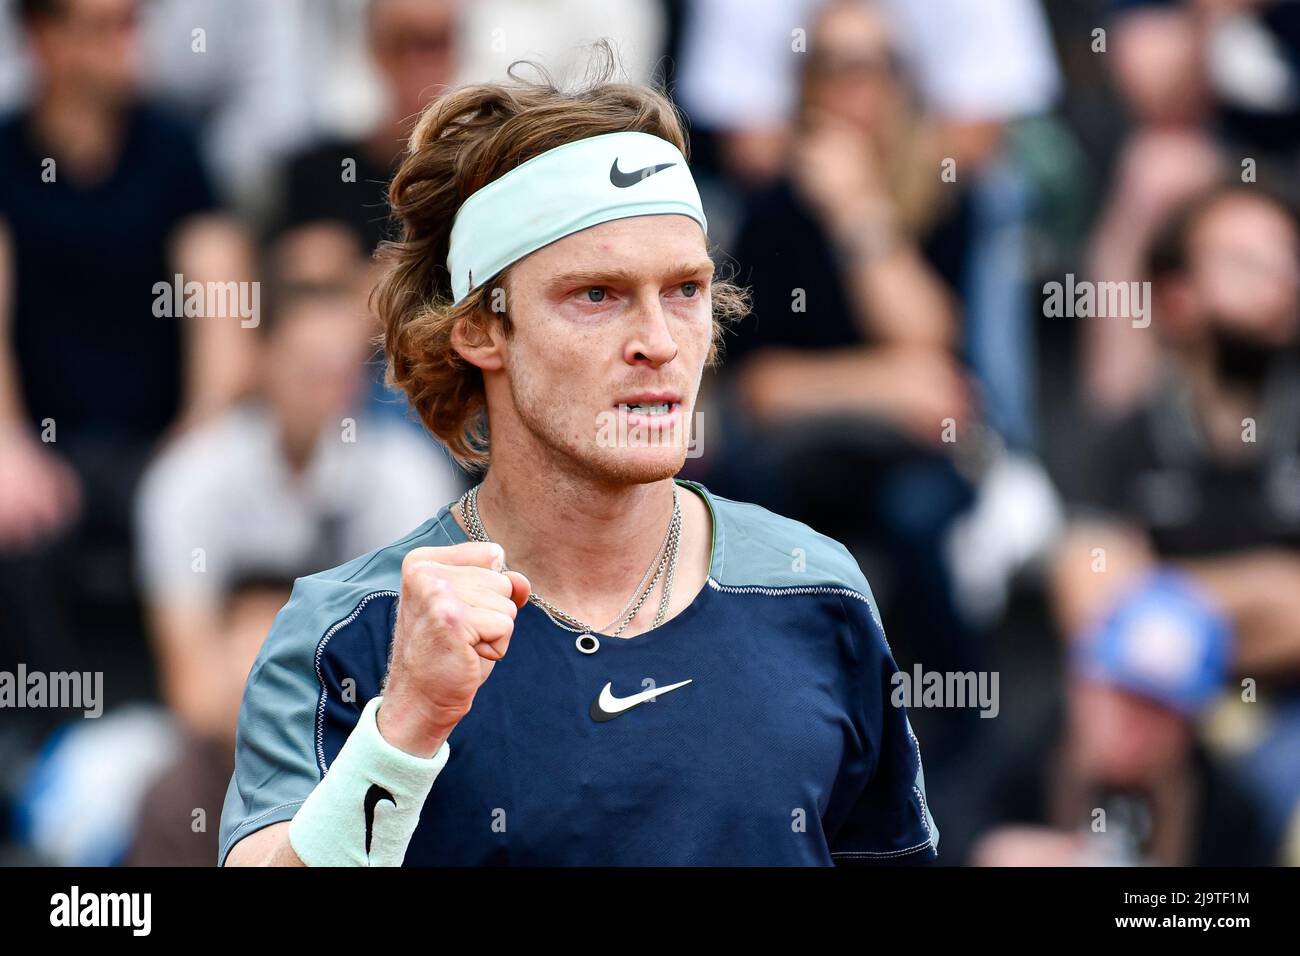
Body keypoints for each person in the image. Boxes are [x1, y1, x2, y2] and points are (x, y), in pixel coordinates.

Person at [219, 50, 939, 867]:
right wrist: (408, 724)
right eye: (596, 296)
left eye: (686, 291)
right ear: (482, 329)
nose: (660, 344)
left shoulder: (818, 589)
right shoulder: (347, 632)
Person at [136, 275, 461, 737]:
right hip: (226, 739)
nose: (330, 392)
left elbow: (417, 670)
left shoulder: (406, 475)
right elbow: (192, 688)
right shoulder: (191, 477)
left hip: (364, 742)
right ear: (262, 359)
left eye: (344, 372)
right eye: (310, 368)